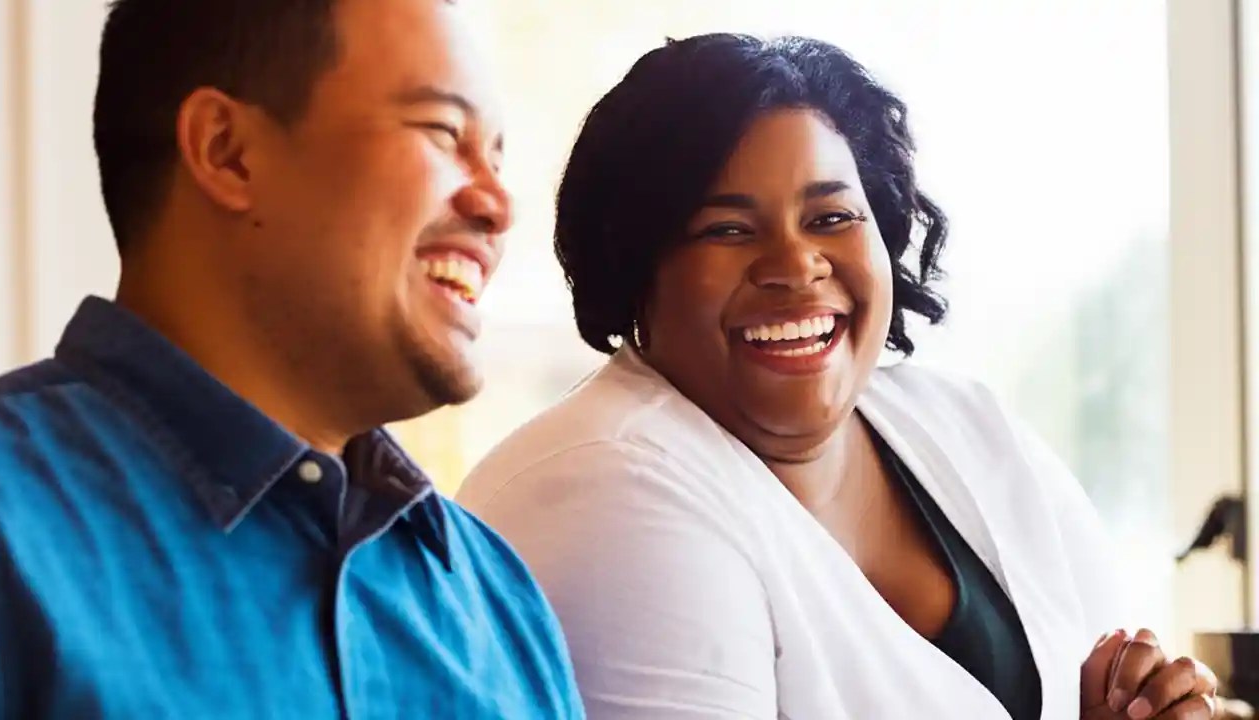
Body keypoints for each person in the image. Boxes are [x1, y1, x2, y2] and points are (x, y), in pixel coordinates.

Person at [458, 34, 1218, 720]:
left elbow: (1109, 660)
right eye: (726, 229)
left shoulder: (970, 426)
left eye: (830, 219)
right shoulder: (605, 492)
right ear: (634, 267)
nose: (795, 266)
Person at [0, 0, 584, 717]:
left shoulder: (498, 601)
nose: (498, 204)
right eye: (443, 131)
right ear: (228, 151)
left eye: (498, 155)